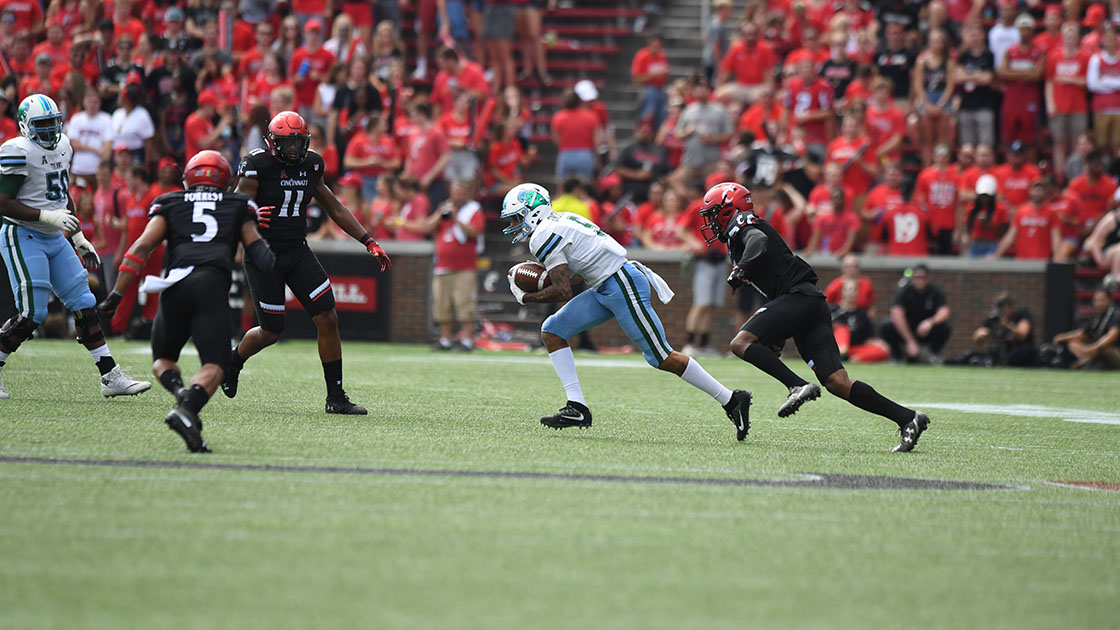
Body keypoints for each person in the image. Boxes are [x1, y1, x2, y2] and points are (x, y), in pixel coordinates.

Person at [500, 183, 751, 439]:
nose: (515, 224)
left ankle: (731, 399)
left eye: (518, 217)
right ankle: (576, 407)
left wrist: (527, 296)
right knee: (552, 330)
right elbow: (574, 279)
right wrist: (545, 279)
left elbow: (564, 291)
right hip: (605, 285)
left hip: (621, 283)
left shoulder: (544, 233)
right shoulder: (561, 221)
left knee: (661, 357)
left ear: (533, 212)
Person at [697, 182, 931, 452]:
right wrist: (777, 335)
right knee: (837, 382)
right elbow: (774, 284)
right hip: (807, 302)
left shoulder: (745, 226)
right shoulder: (740, 238)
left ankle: (796, 386)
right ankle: (908, 418)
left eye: (714, 214)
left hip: (799, 297)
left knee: (740, 343)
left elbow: (758, 241)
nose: (712, 222)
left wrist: (742, 268)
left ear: (730, 209)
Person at [97, 150, 274, 452]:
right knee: (216, 366)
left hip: (174, 285)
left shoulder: (170, 202)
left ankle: (181, 394)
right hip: (210, 284)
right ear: (226, 180)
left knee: (162, 359)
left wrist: (115, 294)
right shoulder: (238, 204)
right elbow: (258, 252)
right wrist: (267, 253)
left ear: (187, 178)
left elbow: (141, 247)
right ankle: (188, 409)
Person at [224, 111, 391, 414]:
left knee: (327, 317)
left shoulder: (311, 163)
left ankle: (336, 397)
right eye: (287, 143)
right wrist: (247, 215)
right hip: (263, 252)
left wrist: (368, 240)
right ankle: (233, 361)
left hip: (297, 250)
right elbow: (237, 204)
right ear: (273, 142)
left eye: (298, 142)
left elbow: (335, 207)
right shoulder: (256, 164)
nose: (293, 149)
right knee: (272, 331)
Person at [0, 95, 150, 399]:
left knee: (84, 302)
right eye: (41, 126)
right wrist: (45, 215)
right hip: (23, 233)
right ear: (25, 127)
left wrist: (78, 236)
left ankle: (110, 376)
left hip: (54, 235)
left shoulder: (64, 145)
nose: (49, 132)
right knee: (33, 313)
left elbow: (61, 191)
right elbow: (2, 203)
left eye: (53, 124)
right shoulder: (16, 151)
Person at [422, 180, 484, 351]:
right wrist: (439, 215)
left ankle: (467, 340)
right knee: (442, 305)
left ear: (467, 193)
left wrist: (456, 217)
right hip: (442, 266)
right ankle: (445, 339)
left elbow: (474, 232)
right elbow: (427, 228)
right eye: (455, 191)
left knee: (465, 305)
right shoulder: (445, 208)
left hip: (464, 267)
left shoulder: (473, 210)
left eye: (460, 192)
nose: (457, 195)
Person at [880, 264, 952, 364]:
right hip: (907, 329)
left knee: (945, 328)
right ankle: (897, 356)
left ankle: (932, 354)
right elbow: (896, 313)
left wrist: (931, 322)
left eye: (923, 278)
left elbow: (944, 311)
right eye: (917, 277)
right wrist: (910, 341)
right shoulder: (905, 290)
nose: (920, 280)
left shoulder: (934, 291)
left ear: (928, 278)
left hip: (925, 330)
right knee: (887, 326)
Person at [991, 181, 1061, 261]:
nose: (1037, 193)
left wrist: (1057, 258)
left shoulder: (1051, 213)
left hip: (1042, 260)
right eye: (1035, 190)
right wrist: (997, 255)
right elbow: (1010, 236)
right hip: (1022, 260)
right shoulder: (1021, 212)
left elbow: (1056, 238)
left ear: (1045, 193)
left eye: (1040, 190)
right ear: (1030, 192)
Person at [1053, 288, 1120, 369]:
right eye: (1096, 300)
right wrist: (1062, 337)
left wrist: (1096, 346)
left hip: (1113, 351)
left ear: (1110, 300)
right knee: (1073, 343)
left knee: (1105, 349)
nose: (1098, 303)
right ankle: (1087, 361)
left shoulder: (1116, 314)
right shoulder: (1096, 317)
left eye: (1102, 300)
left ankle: (1086, 362)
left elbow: (1112, 335)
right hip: (1094, 351)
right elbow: (1083, 334)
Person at [970, 293, 1036, 367]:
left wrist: (1007, 325)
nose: (1002, 310)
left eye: (1004, 306)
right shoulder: (994, 318)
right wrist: (980, 336)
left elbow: (1022, 334)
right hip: (999, 353)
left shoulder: (1021, 315)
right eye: (1000, 306)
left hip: (1021, 353)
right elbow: (977, 337)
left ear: (1012, 306)